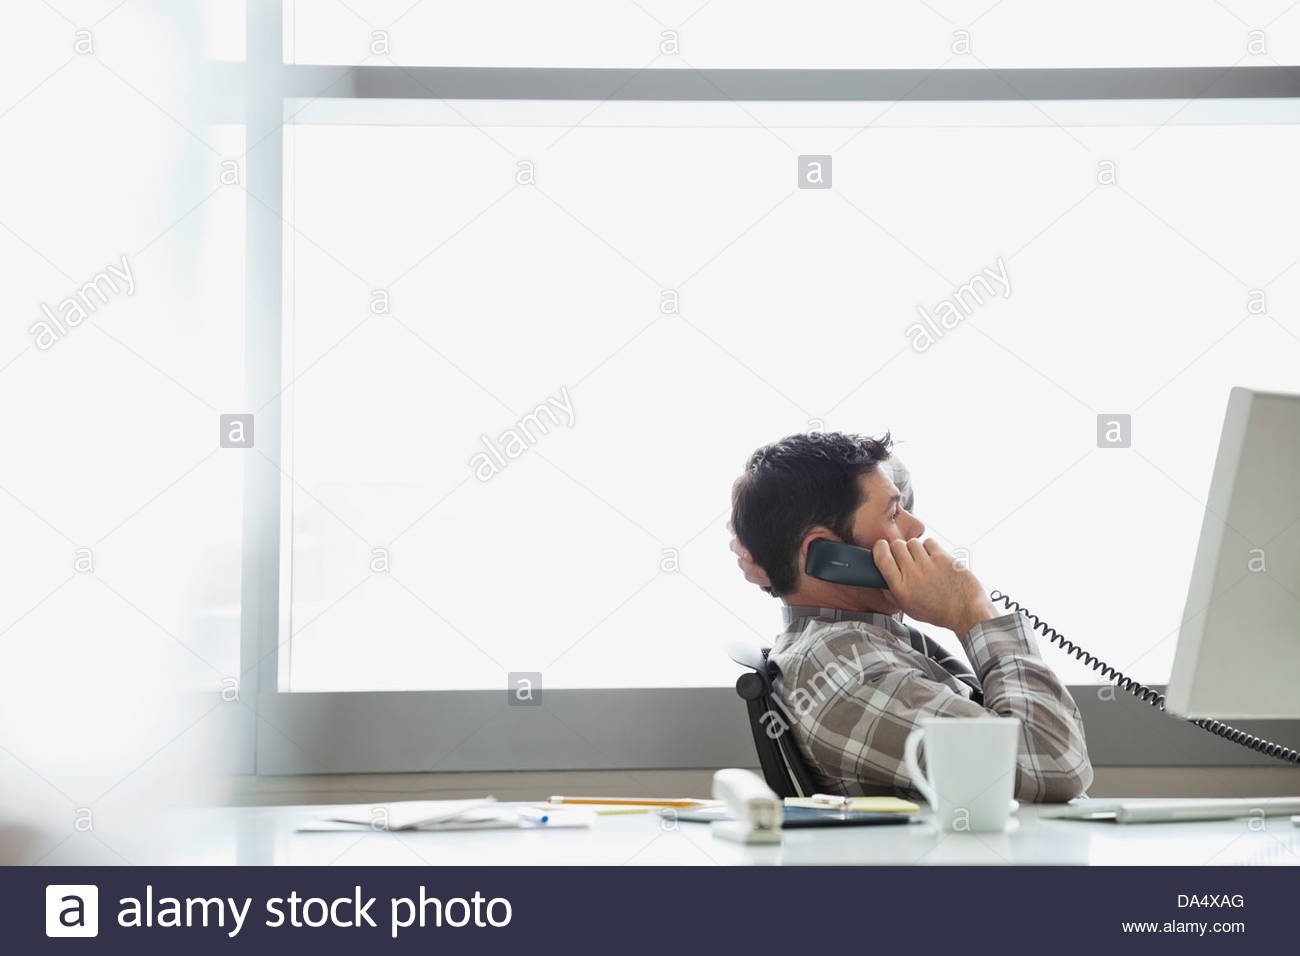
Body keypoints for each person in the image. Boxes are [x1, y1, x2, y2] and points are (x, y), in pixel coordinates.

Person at [728, 431, 1092, 802]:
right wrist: (974, 614)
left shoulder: (863, 642)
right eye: (893, 513)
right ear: (828, 555)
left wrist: (767, 531)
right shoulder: (841, 669)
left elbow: (878, 479)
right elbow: (1055, 763)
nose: (916, 528)